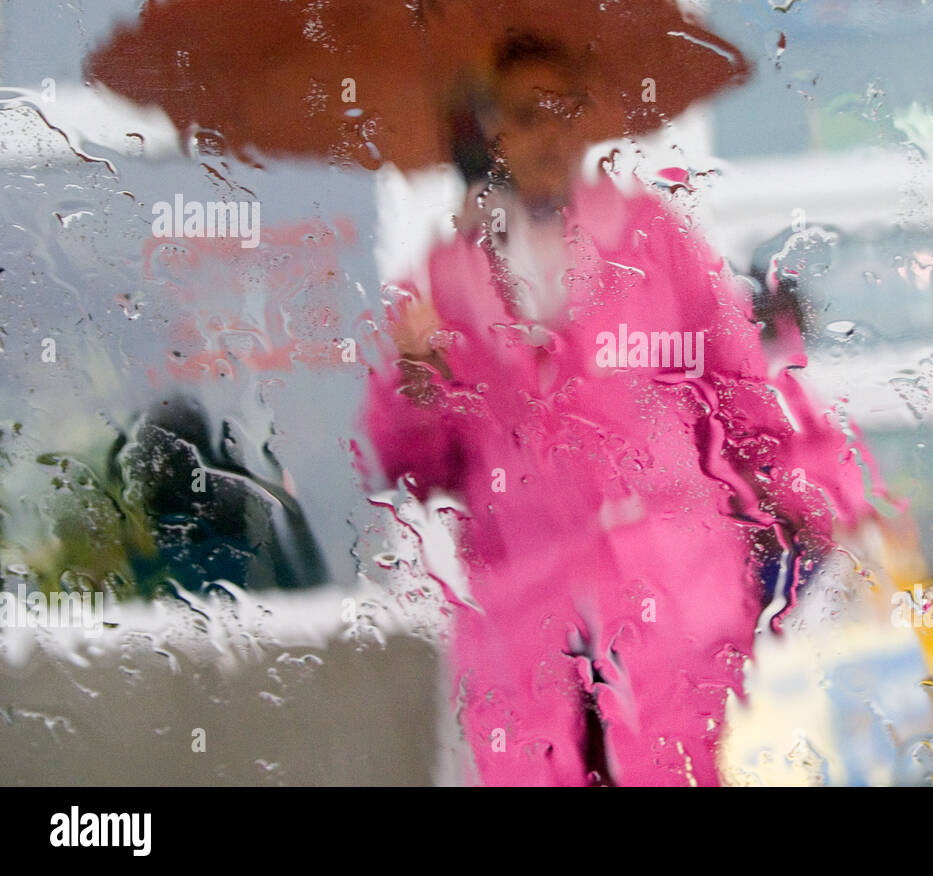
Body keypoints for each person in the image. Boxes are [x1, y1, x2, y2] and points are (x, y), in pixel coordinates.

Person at [361, 48, 891, 785]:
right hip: (527, 631)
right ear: (487, 133)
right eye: (523, 114)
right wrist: (415, 378)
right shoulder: (444, 282)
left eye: (562, 109)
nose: (548, 133)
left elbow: (740, 392)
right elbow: (411, 470)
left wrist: (808, 505)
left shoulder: (650, 236)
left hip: (673, 598)